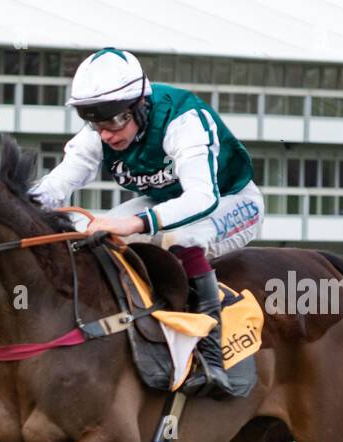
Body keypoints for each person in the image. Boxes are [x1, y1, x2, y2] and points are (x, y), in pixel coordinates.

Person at [29, 48, 264, 397]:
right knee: (82, 235)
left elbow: (202, 198)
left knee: (180, 237)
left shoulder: (184, 121)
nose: (106, 134)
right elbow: (59, 183)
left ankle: (213, 354)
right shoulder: (102, 130)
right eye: (96, 123)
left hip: (232, 201)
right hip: (164, 201)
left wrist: (135, 224)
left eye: (114, 122)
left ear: (141, 103)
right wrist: (19, 202)